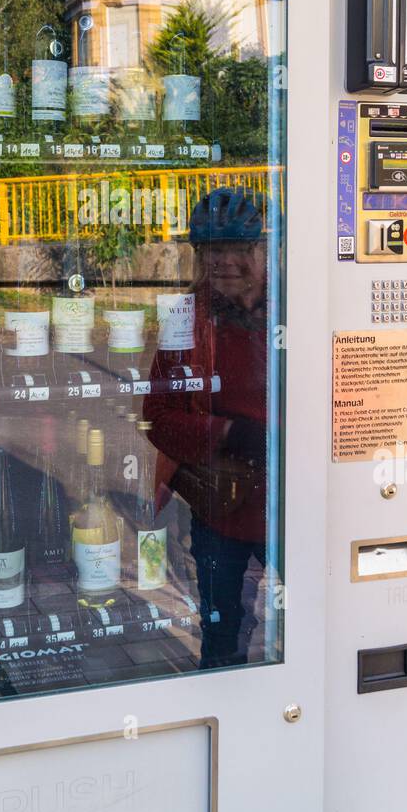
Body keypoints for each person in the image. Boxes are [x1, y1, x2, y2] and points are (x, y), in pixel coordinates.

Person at [144, 187, 270, 668]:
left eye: (238, 248)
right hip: (224, 505)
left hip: (288, 505)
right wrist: (228, 434)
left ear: (262, 249)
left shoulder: (296, 312)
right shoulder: (186, 316)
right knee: (223, 632)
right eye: (211, 250)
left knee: (318, 620)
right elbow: (157, 416)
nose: (224, 262)